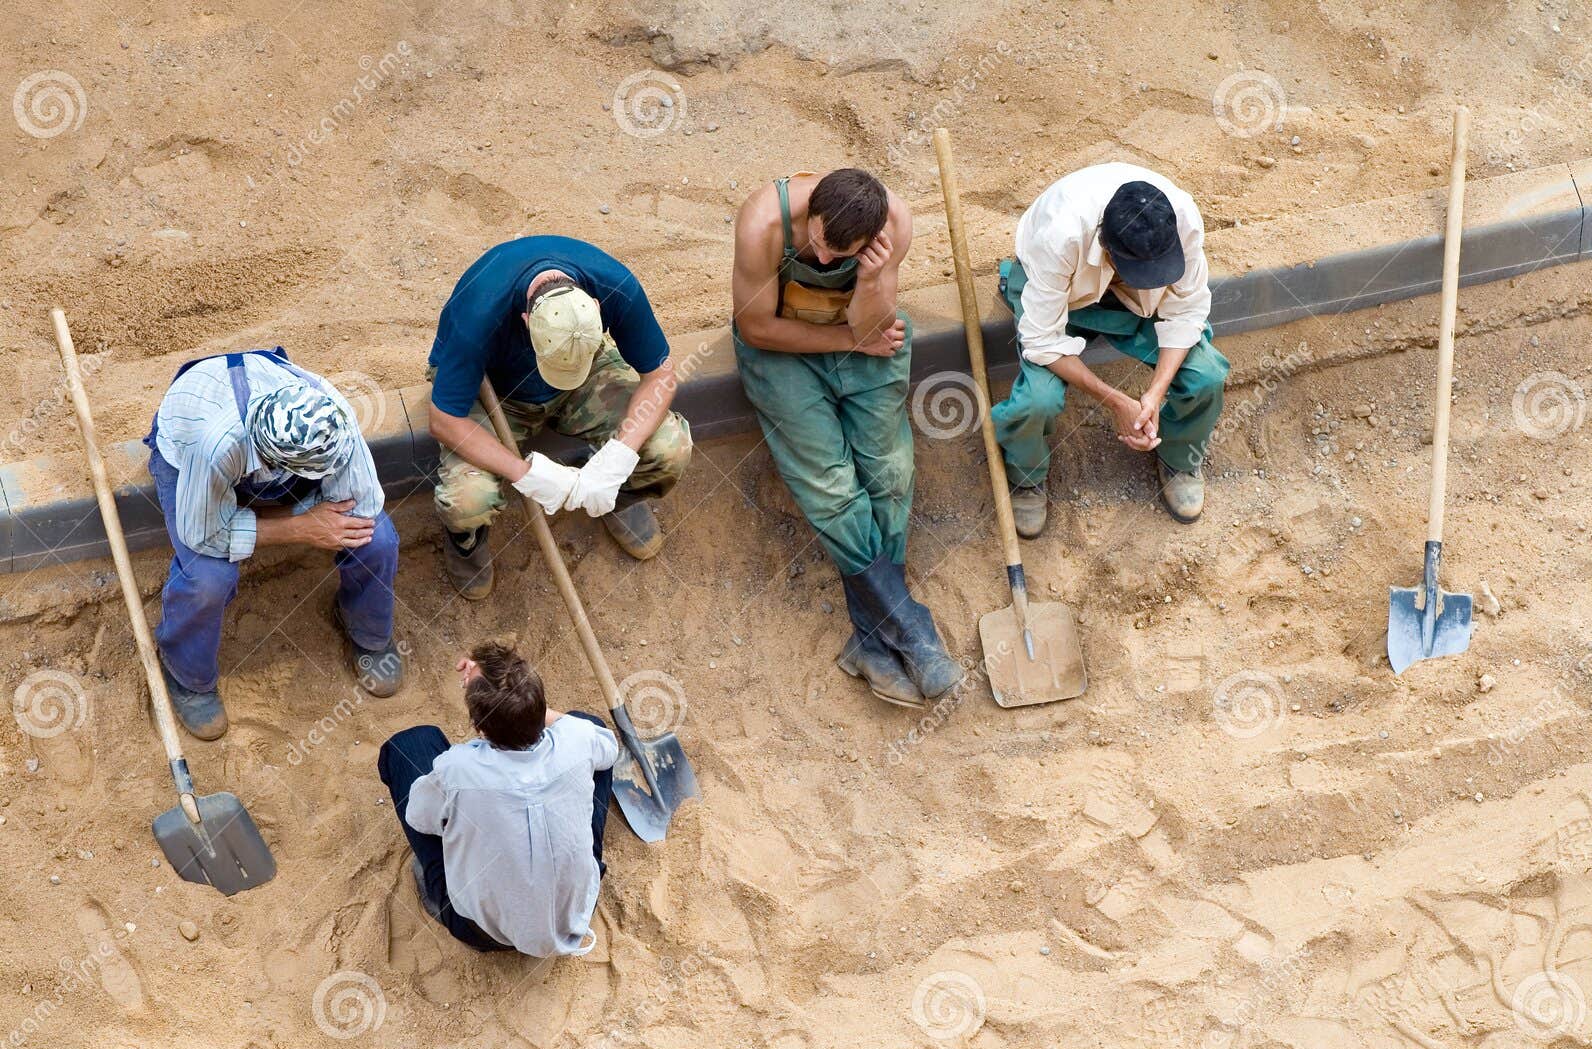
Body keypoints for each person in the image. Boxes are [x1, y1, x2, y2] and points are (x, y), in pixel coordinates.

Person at [731, 168, 961, 709]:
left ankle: (870, 641)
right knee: (832, 486)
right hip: (781, 350)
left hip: (862, 338)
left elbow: (873, 326)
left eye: (846, 254)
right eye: (821, 245)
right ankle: (909, 623)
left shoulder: (893, 227)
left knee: (891, 473)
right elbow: (755, 328)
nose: (828, 260)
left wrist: (872, 280)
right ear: (810, 210)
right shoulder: (762, 223)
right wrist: (847, 343)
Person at [146, 347, 404, 740]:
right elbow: (204, 535)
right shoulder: (212, 444)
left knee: (377, 539)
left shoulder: (331, 416)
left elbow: (364, 507)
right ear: (275, 463)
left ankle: (368, 632)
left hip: (273, 459)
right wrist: (300, 527)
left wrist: (313, 520)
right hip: (192, 455)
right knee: (206, 578)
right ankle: (186, 672)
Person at [426, 236, 694, 597]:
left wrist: (619, 456)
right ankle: (466, 541)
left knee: (668, 448)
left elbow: (660, 376)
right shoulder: (479, 312)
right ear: (525, 319)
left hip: (587, 371)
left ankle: (616, 495)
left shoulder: (616, 284)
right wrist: (525, 473)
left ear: (597, 307)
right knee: (467, 500)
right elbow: (444, 419)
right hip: (494, 389)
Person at [993, 164, 1230, 535]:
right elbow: (1043, 341)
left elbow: (1186, 312)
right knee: (1036, 400)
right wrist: (1116, 400)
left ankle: (1180, 458)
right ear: (1108, 249)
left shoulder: (1181, 219)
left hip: (1131, 301)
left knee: (1207, 376)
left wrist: (1154, 394)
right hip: (1057, 290)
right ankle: (1027, 475)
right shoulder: (1060, 236)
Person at [376, 642, 618, 957]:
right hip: (573, 911)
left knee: (410, 744)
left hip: (484, 931)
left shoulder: (457, 769)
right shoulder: (576, 740)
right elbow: (608, 748)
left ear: (479, 728)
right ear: (540, 708)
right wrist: (516, 706)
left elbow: (420, 818)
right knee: (593, 729)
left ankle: (439, 892)